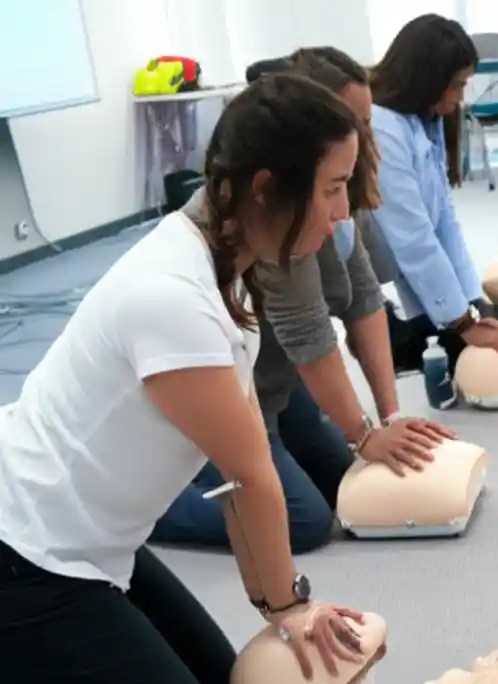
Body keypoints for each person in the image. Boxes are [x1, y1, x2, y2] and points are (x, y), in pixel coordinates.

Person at [0, 74, 368, 684]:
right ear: (265, 187)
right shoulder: (170, 295)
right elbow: (252, 476)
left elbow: (239, 473)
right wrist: (291, 607)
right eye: (334, 190)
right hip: (26, 556)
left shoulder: (227, 269)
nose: (343, 214)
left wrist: (279, 607)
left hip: (96, 545)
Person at [151, 48, 455, 554]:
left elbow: (363, 299)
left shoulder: (329, 190)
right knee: (304, 522)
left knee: (348, 485)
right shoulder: (275, 211)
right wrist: (361, 435)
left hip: (273, 388)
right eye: (354, 122)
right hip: (215, 406)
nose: (365, 138)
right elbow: (309, 332)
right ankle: (154, 505)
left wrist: (389, 418)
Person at [369, 14, 498, 373]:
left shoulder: (427, 116)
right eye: (457, 85)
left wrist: (474, 303)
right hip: (362, 260)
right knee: (456, 344)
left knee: (490, 337)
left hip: (404, 252)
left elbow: (443, 219)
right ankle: (393, 329)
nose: (461, 96)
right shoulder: (383, 128)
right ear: (426, 80)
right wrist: (463, 324)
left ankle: (414, 328)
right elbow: (414, 237)